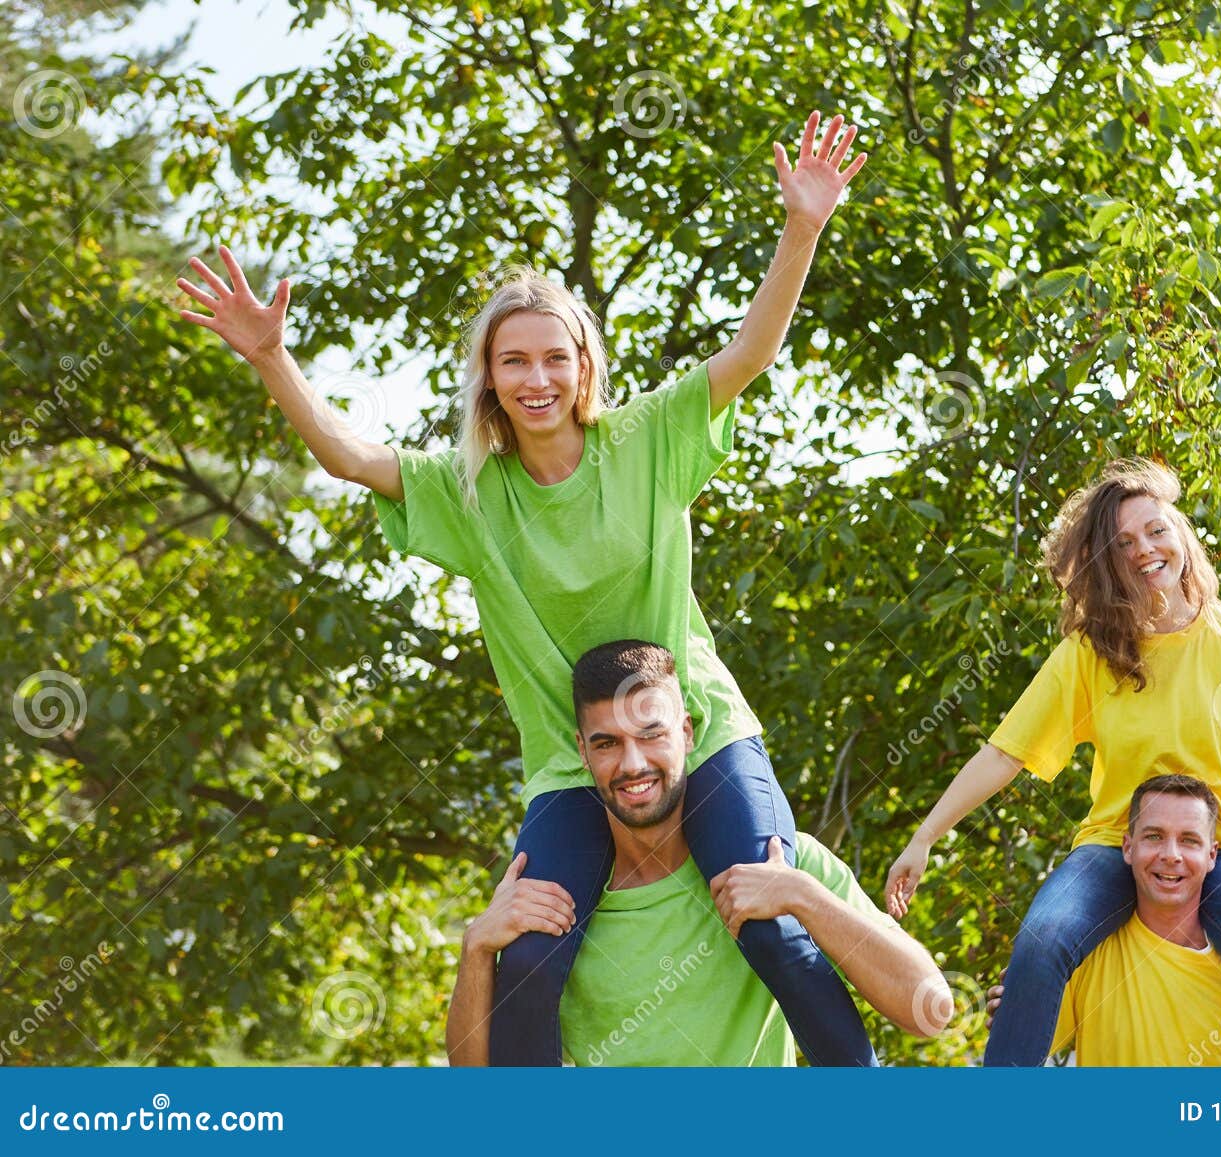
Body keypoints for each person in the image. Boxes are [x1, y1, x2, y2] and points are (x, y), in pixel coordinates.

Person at [177, 110, 876, 1066]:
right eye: (515, 361)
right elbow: (347, 455)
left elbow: (750, 353)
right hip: (566, 765)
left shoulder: (648, 440)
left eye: (556, 356)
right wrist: (271, 356)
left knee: (764, 917)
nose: (537, 376)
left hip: (702, 736)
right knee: (532, 956)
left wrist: (803, 225)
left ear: (584, 365)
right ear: (490, 381)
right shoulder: (469, 494)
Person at [885, 457, 1221, 1066]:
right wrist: (925, 837)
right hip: (1114, 844)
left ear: (1181, 531)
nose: (1145, 550)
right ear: (1109, 563)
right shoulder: (1092, 652)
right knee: (1043, 941)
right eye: (1124, 543)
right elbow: (1004, 752)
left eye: (1156, 529)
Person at [445, 640, 950, 1065]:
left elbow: (929, 1010)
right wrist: (477, 949)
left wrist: (804, 897)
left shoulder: (778, 866)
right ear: (582, 752)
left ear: (686, 733)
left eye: (652, 735)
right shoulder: (553, 902)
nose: (633, 763)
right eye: (607, 744)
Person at [984, 775, 1221, 1066]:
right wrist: (1014, 1001)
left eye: (1189, 841)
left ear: (1212, 855)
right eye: (1154, 836)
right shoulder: (1086, 955)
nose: (1170, 855)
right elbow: (1022, 1041)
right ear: (1128, 847)